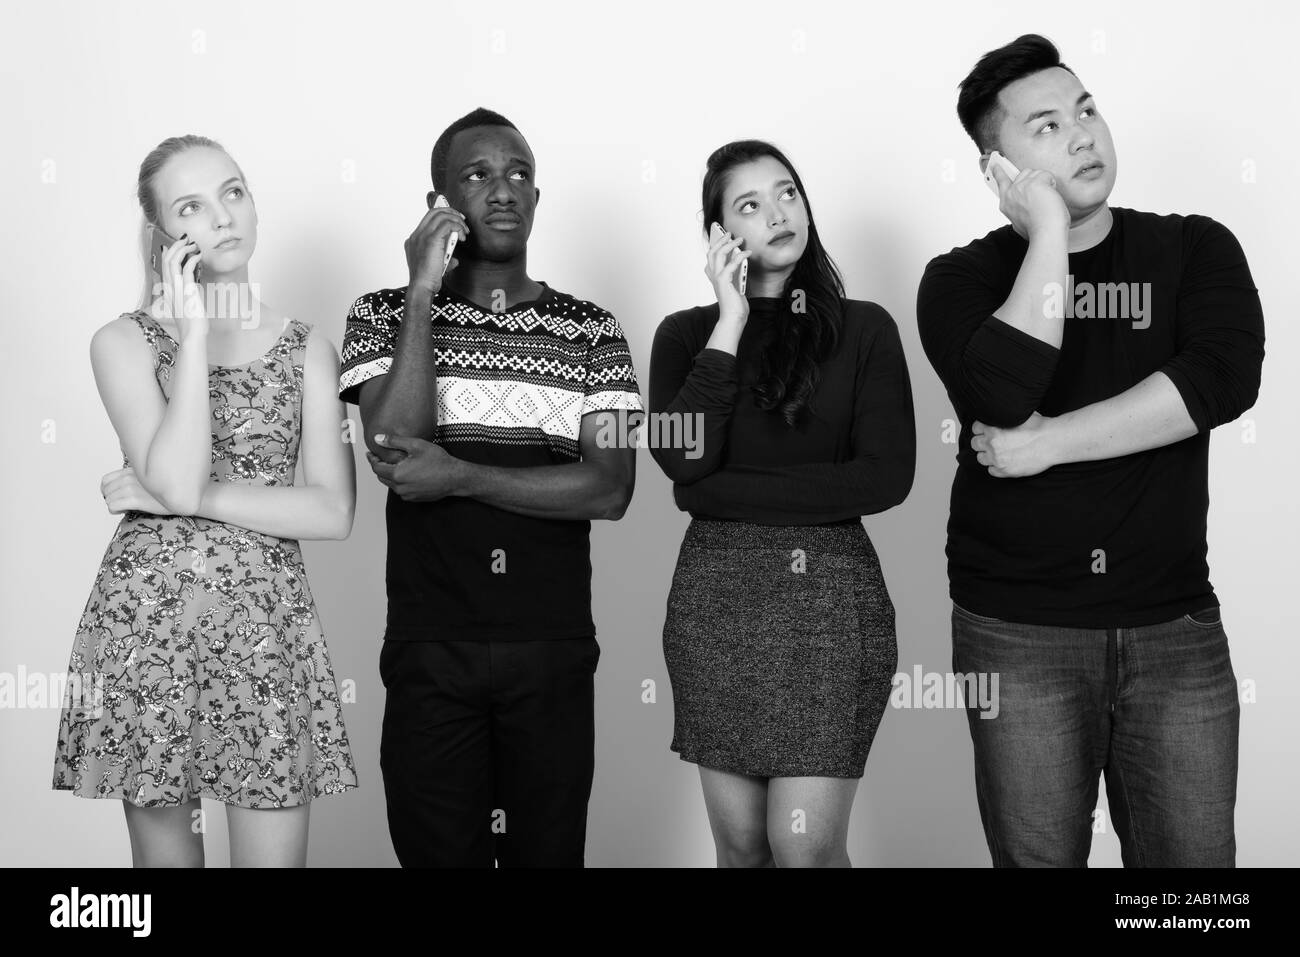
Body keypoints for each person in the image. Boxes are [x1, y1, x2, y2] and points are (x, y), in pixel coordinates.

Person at [917, 34, 1265, 867]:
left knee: (1193, 893)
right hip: (1017, 633)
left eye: (1087, 109)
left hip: (1174, 626)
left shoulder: (1194, 247)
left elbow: (1221, 381)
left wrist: (1049, 445)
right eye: (1045, 126)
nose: (1082, 135)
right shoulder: (958, 280)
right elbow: (1003, 392)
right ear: (996, 166)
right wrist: (1045, 233)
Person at [338, 107, 642, 868]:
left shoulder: (592, 331)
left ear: (538, 198)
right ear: (438, 204)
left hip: (551, 646)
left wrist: (462, 475)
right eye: (477, 174)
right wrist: (420, 290)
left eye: (519, 174)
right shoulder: (380, 313)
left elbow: (609, 489)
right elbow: (392, 450)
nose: (502, 189)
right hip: (429, 646)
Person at [52, 134, 358, 867]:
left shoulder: (309, 349)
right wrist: (193, 330)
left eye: (234, 191)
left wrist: (184, 498)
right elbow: (176, 478)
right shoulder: (123, 343)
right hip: (148, 629)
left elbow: (331, 511)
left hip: (266, 629)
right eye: (192, 206)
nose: (222, 216)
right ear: (164, 237)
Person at [648, 140, 916, 867]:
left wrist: (719, 493)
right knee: (741, 850)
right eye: (750, 204)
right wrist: (729, 320)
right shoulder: (684, 335)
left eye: (787, 192)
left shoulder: (865, 329)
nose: (778, 212)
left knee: (803, 847)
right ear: (719, 234)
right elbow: (682, 459)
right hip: (715, 603)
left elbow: (886, 477)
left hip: (829, 601)